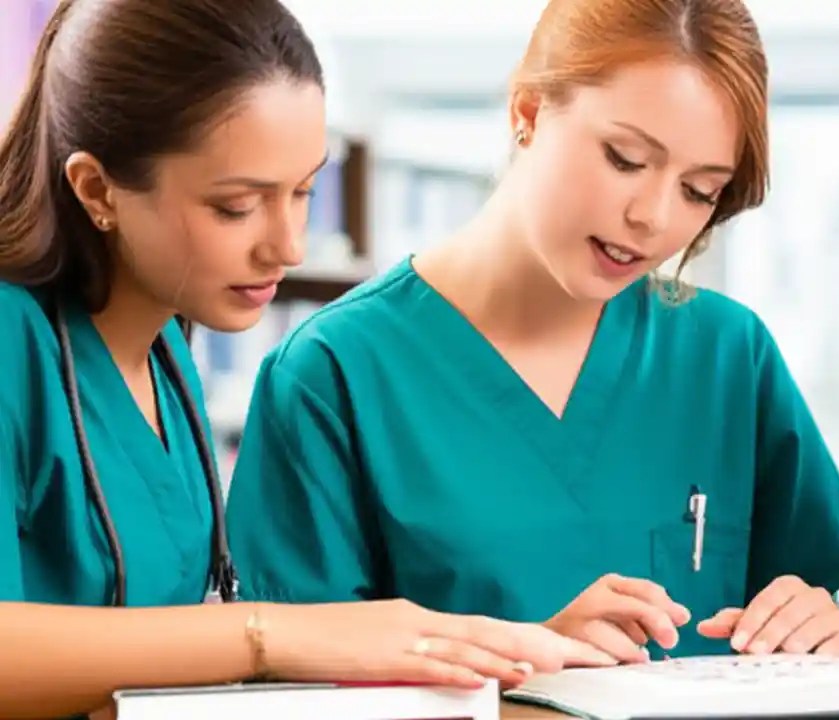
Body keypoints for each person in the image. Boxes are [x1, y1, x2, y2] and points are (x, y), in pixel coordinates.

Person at [0, 2, 610, 717]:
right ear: (98, 190)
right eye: (237, 206)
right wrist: (269, 635)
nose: (287, 246)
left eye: (303, 191)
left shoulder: (165, 352)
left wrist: (494, 653)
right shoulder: (17, 339)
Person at [226, 0, 839, 662]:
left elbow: (800, 621)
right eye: (624, 159)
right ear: (529, 113)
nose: (651, 216)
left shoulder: (728, 356)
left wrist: (817, 626)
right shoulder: (333, 374)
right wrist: (520, 671)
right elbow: (295, 684)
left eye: (699, 191)